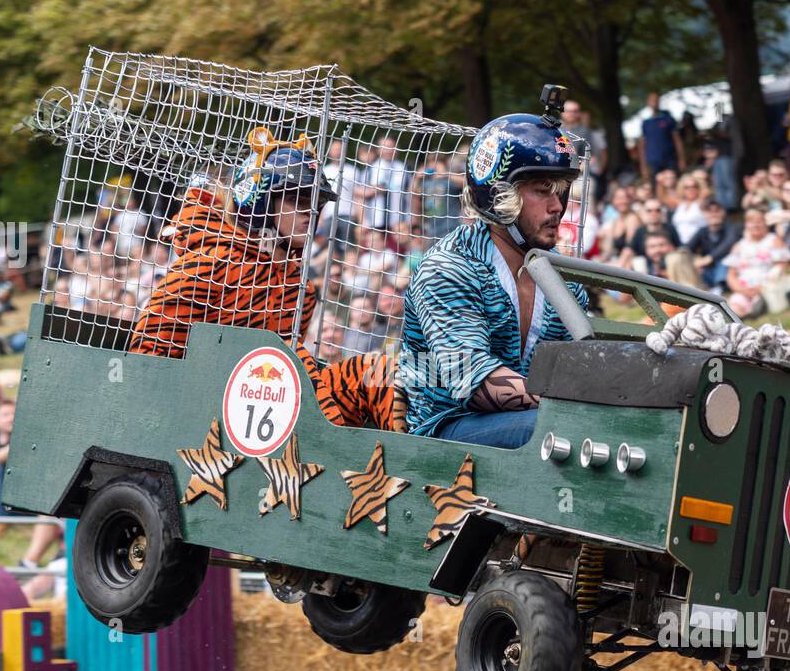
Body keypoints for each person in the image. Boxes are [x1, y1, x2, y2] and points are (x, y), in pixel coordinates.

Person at [129, 130, 399, 431]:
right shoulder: (209, 264)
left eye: (315, 202)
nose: (310, 212)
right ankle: (336, 451)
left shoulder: (301, 287)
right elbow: (147, 359)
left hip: (275, 412)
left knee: (379, 372)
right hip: (209, 414)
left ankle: (411, 455)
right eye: (297, 200)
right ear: (260, 204)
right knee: (297, 358)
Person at [401, 92, 588, 447]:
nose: (557, 206)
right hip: (443, 432)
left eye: (562, 192)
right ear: (499, 194)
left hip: (536, 419)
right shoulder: (449, 268)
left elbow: (579, 365)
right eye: (542, 190)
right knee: (562, 430)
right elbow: (475, 384)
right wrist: (580, 401)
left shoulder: (564, 280)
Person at [723, 208, 790, 319]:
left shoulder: (773, 240)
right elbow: (731, 275)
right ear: (746, 225)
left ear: (765, 223)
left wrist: (761, 287)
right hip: (744, 289)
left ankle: (753, 309)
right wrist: (742, 290)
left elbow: (782, 265)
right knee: (734, 307)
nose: (755, 225)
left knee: (756, 303)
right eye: (751, 222)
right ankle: (743, 313)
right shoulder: (739, 246)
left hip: (767, 287)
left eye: (759, 221)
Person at [686, 198, 740, 291]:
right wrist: (695, 260)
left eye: (717, 210)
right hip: (709, 272)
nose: (713, 214)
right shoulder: (702, 231)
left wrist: (709, 258)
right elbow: (686, 248)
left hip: (726, 272)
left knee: (724, 259)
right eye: (709, 211)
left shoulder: (732, 228)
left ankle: (719, 288)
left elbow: (729, 243)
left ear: (723, 212)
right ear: (703, 214)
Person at [639, 91, 684, 178]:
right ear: (648, 103)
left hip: (670, 159)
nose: (654, 103)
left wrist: (681, 159)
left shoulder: (668, 119)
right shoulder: (646, 123)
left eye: (656, 100)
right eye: (652, 100)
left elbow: (677, 140)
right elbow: (642, 145)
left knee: (671, 181)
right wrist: (643, 166)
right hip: (653, 161)